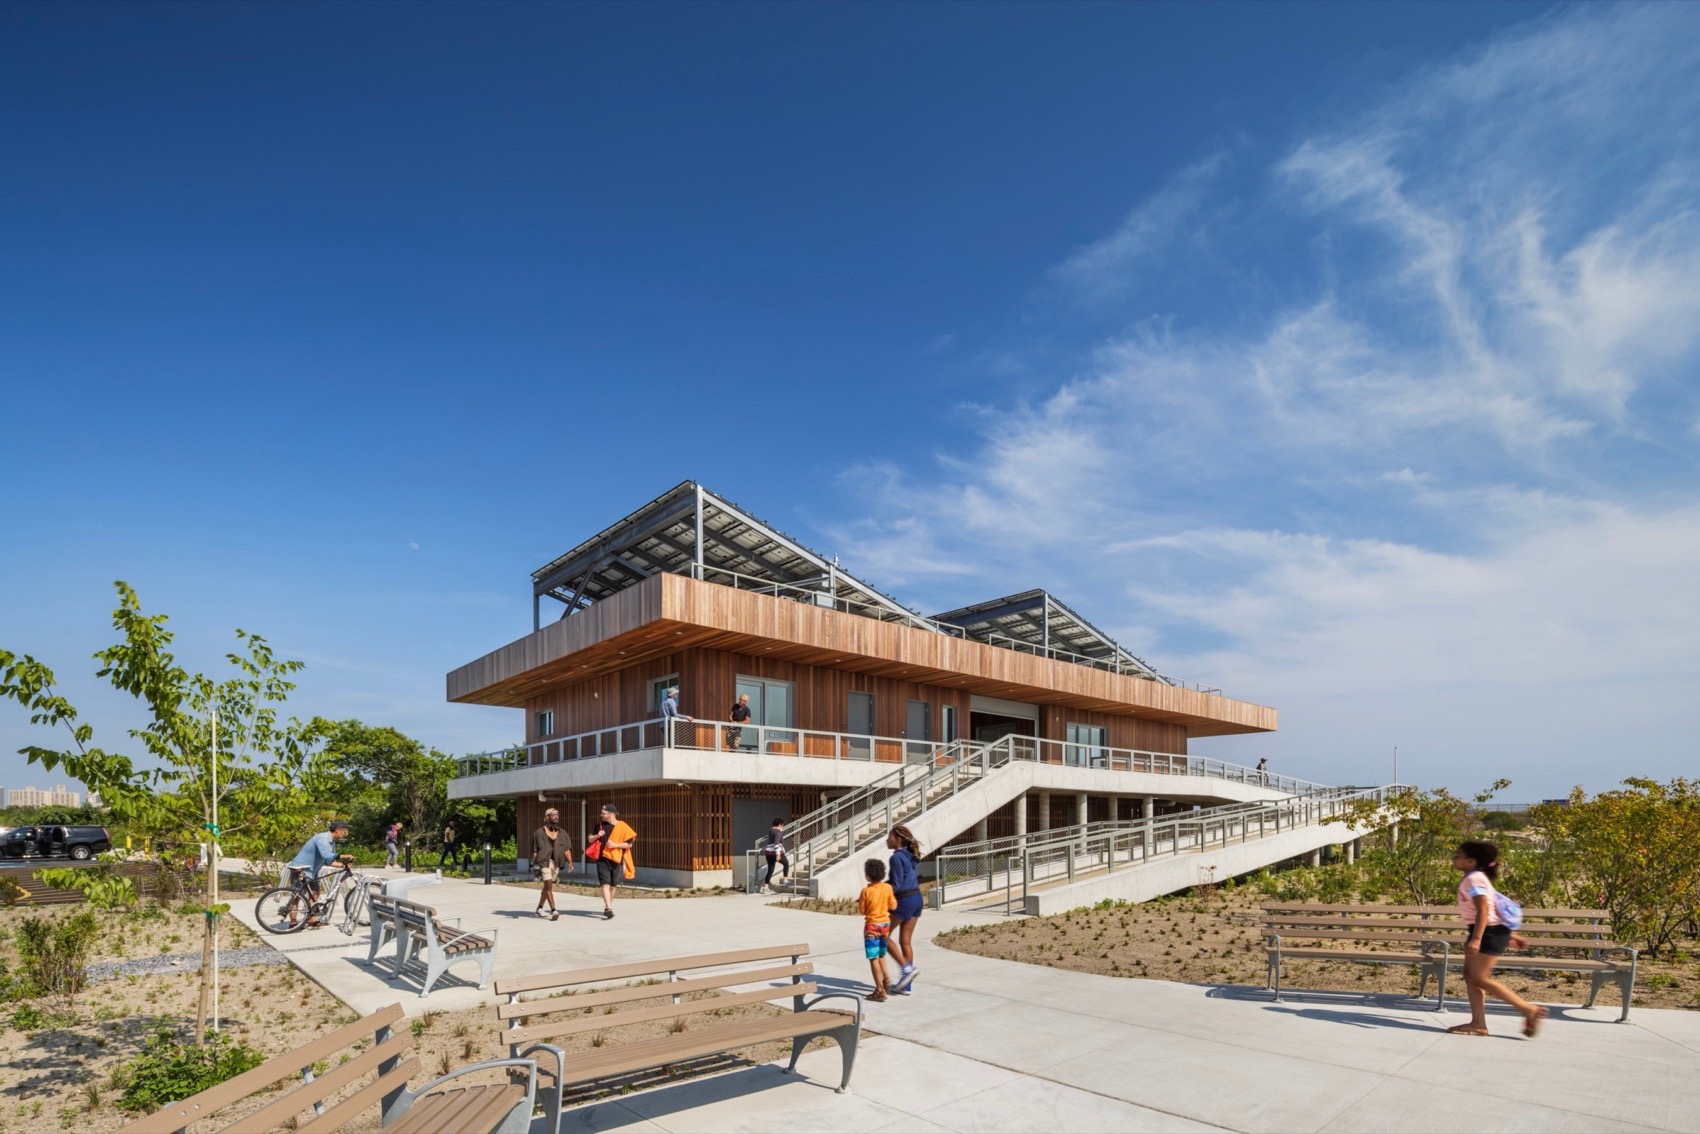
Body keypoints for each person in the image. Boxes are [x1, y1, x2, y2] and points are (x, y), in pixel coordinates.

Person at [1447, 840, 1546, 1038]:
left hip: (1487, 932)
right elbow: (1491, 909)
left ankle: (1528, 1010)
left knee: (1479, 978)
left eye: (1458, 855)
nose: (1454, 858)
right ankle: (1478, 1023)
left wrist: (1476, 938)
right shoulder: (1475, 877)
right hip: (1489, 930)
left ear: (1471, 861)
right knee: (1471, 976)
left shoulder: (1474, 879)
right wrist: (1509, 934)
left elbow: (1484, 909)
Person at [287, 820, 353, 928]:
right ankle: (293, 922)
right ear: (337, 830)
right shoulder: (323, 838)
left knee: (315, 893)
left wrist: (343, 866)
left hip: (312, 871)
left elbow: (328, 861)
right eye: (345, 832)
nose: (345, 835)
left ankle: (311, 920)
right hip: (301, 868)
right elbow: (326, 855)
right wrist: (345, 856)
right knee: (297, 896)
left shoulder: (331, 842)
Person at [886, 825, 924, 992]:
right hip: (917, 898)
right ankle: (906, 985)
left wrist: (879, 889)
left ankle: (906, 969)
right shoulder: (911, 856)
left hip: (905, 899)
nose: (887, 840)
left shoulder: (896, 857)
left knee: (881, 934)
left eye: (890, 837)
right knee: (905, 941)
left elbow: (897, 884)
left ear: (898, 839)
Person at [859, 858, 898, 1002]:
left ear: (868, 876)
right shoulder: (887, 888)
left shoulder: (866, 891)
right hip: (885, 925)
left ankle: (880, 990)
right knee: (882, 955)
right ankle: (887, 979)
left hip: (872, 927)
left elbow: (862, 910)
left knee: (873, 957)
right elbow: (893, 906)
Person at [591, 803, 637, 919]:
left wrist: (615, 845)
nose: (601, 815)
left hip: (616, 859)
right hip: (602, 859)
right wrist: (597, 835)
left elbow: (629, 844)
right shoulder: (599, 826)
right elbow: (589, 839)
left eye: (603, 813)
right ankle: (608, 908)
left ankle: (609, 905)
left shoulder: (622, 827)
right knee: (605, 884)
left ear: (610, 814)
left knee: (612, 885)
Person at [530, 808, 574, 920]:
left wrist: (570, 862)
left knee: (547, 887)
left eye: (557, 815)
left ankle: (539, 908)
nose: (556, 817)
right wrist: (535, 866)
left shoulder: (563, 833)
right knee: (548, 884)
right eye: (553, 815)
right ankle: (554, 910)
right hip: (544, 861)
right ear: (547, 817)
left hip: (557, 862)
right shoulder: (538, 833)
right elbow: (534, 851)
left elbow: (567, 850)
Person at [761, 816, 790, 892]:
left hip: (768, 852)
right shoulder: (778, 832)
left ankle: (765, 887)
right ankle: (785, 881)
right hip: (776, 852)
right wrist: (778, 854)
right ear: (780, 824)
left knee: (770, 870)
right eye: (783, 825)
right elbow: (776, 844)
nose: (783, 826)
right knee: (786, 863)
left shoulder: (770, 830)